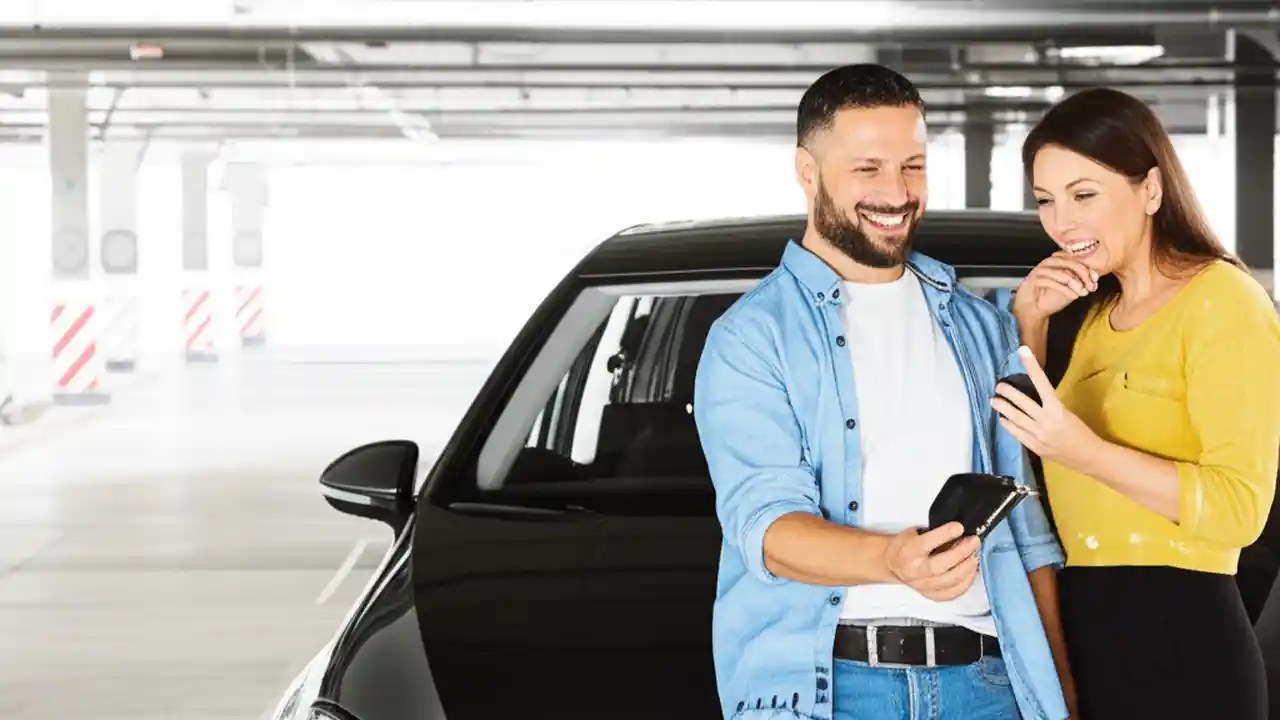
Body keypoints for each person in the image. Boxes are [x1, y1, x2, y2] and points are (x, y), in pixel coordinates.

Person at [694, 64, 1075, 720]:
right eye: (867, 169)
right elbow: (768, 530)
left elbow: (1027, 530)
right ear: (807, 172)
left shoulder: (981, 328)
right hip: (835, 691)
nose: (896, 193)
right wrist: (894, 560)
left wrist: (1060, 691)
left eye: (913, 166)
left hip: (990, 685)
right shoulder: (751, 338)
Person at [996, 86, 1280, 720]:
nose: (1061, 223)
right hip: (1083, 632)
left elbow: (1240, 511)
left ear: (1151, 190)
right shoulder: (1095, 316)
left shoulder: (1223, 302)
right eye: (1045, 200)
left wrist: (1086, 452)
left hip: (1182, 642)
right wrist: (1030, 322)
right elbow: (1023, 471)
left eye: (1084, 194)